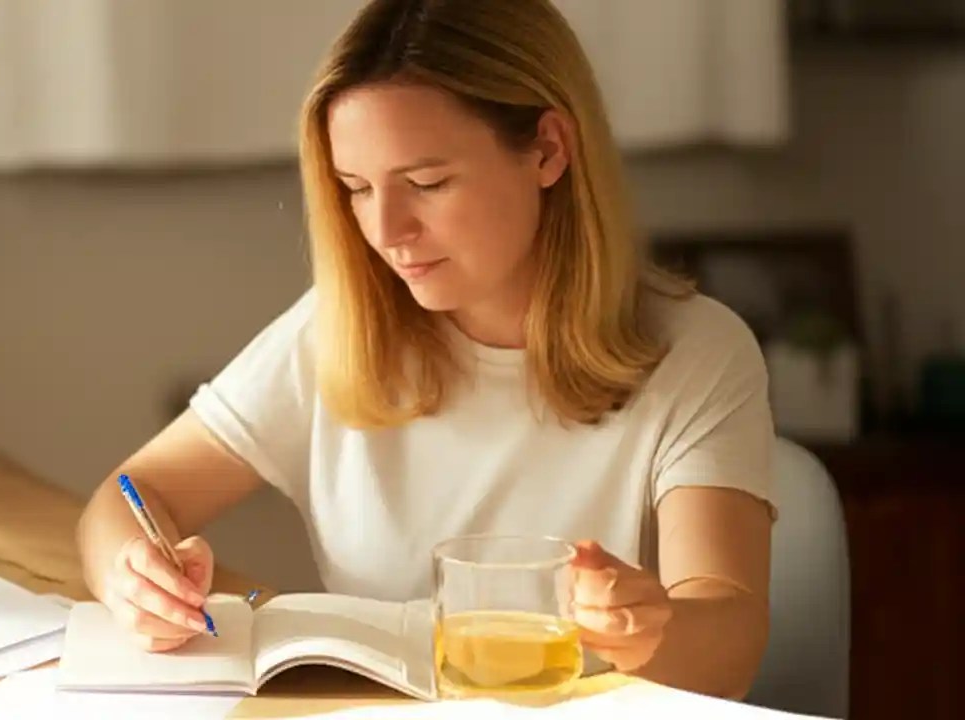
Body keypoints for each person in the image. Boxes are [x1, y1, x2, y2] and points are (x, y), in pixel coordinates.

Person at [77, 0, 775, 701]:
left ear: (549, 150)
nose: (386, 230)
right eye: (355, 189)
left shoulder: (697, 352)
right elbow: (128, 499)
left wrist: (651, 631)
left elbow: (730, 643)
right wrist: (130, 576)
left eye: (428, 184)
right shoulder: (337, 329)